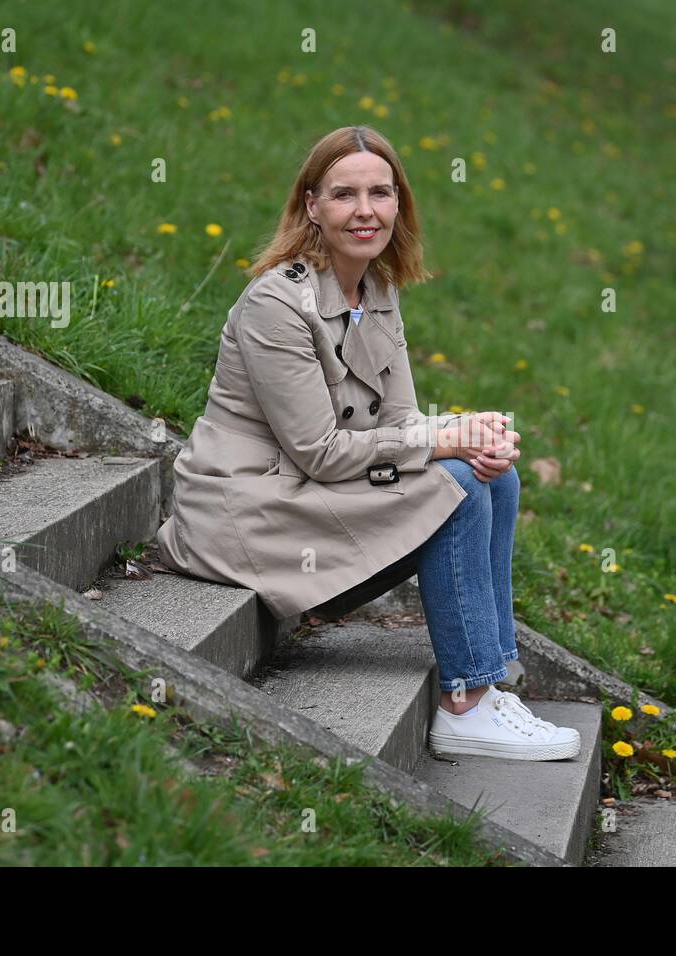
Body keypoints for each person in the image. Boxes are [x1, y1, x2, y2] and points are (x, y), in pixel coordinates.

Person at [155, 125, 579, 762]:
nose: (365, 211)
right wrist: (443, 440)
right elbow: (319, 450)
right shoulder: (277, 303)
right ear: (312, 207)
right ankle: (464, 703)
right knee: (457, 483)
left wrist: (465, 436)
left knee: (489, 473)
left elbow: (403, 421)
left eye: (381, 193)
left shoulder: (377, 291)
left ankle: (490, 685)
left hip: (314, 496)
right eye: (344, 194)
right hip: (250, 514)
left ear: (399, 205)